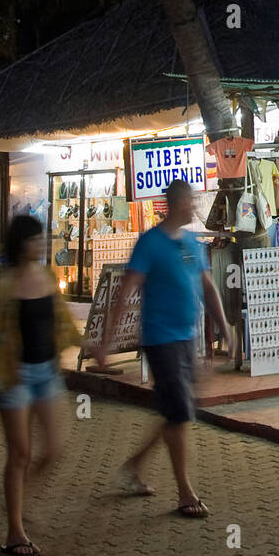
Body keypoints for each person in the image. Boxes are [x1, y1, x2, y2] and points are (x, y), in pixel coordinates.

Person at [96, 179, 231, 518]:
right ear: (175, 204)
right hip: (160, 339)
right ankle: (185, 493)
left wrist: (225, 328)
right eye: (190, 201)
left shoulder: (190, 243)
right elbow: (125, 293)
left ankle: (134, 466)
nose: (195, 206)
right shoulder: (149, 244)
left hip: (187, 338)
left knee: (175, 411)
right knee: (180, 413)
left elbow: (208, 285)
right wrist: (107, 343)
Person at [0, 214, 83, 556]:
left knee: (53, 450)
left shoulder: (46, 276)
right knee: (20, 453)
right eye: (35, 239)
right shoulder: (1, 285)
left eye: (42, 239)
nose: (41, 244)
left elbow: (61, 322)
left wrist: (90, 346)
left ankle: (15, 497)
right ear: (21, 243)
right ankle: (15, 531)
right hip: (12, 375)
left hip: (46, 372)